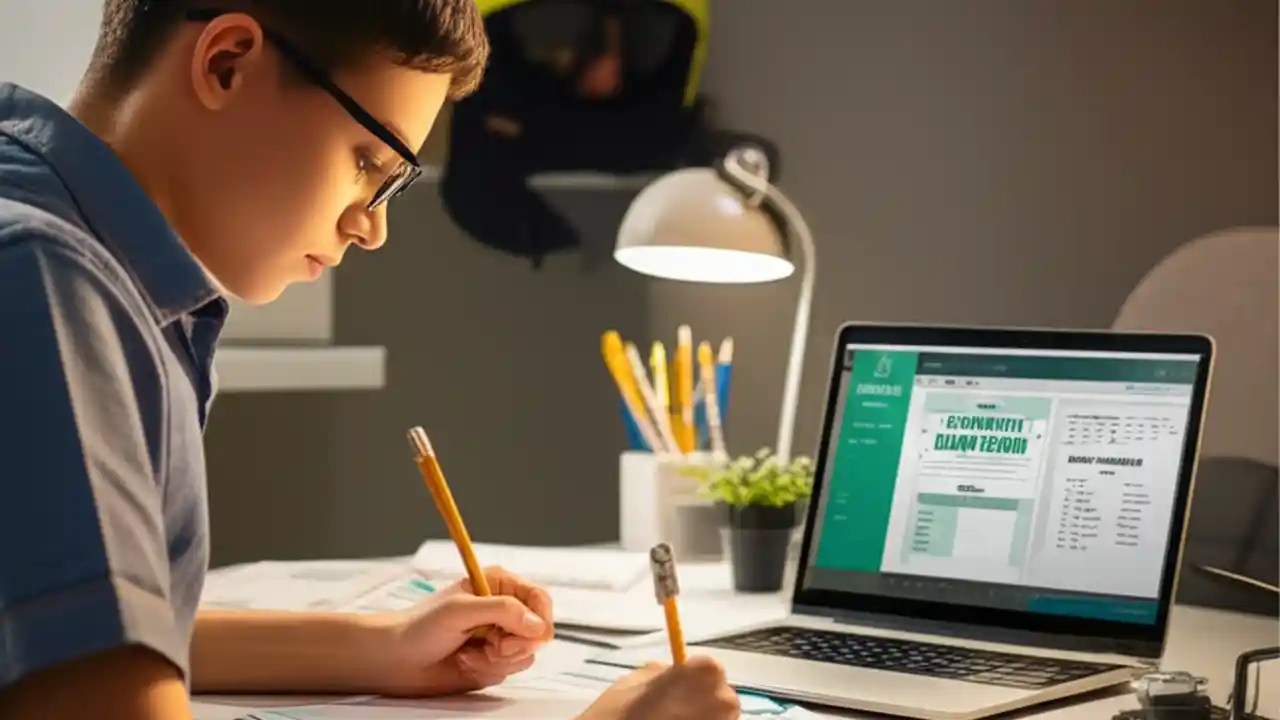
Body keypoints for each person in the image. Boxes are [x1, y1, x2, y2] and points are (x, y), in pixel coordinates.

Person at [0, 2, 741, 719]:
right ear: (227, 64)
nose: (373, 226)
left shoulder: (90, 256)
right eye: (368, 162)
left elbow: (82, 633)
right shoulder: (45, 282)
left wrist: (378, 647)